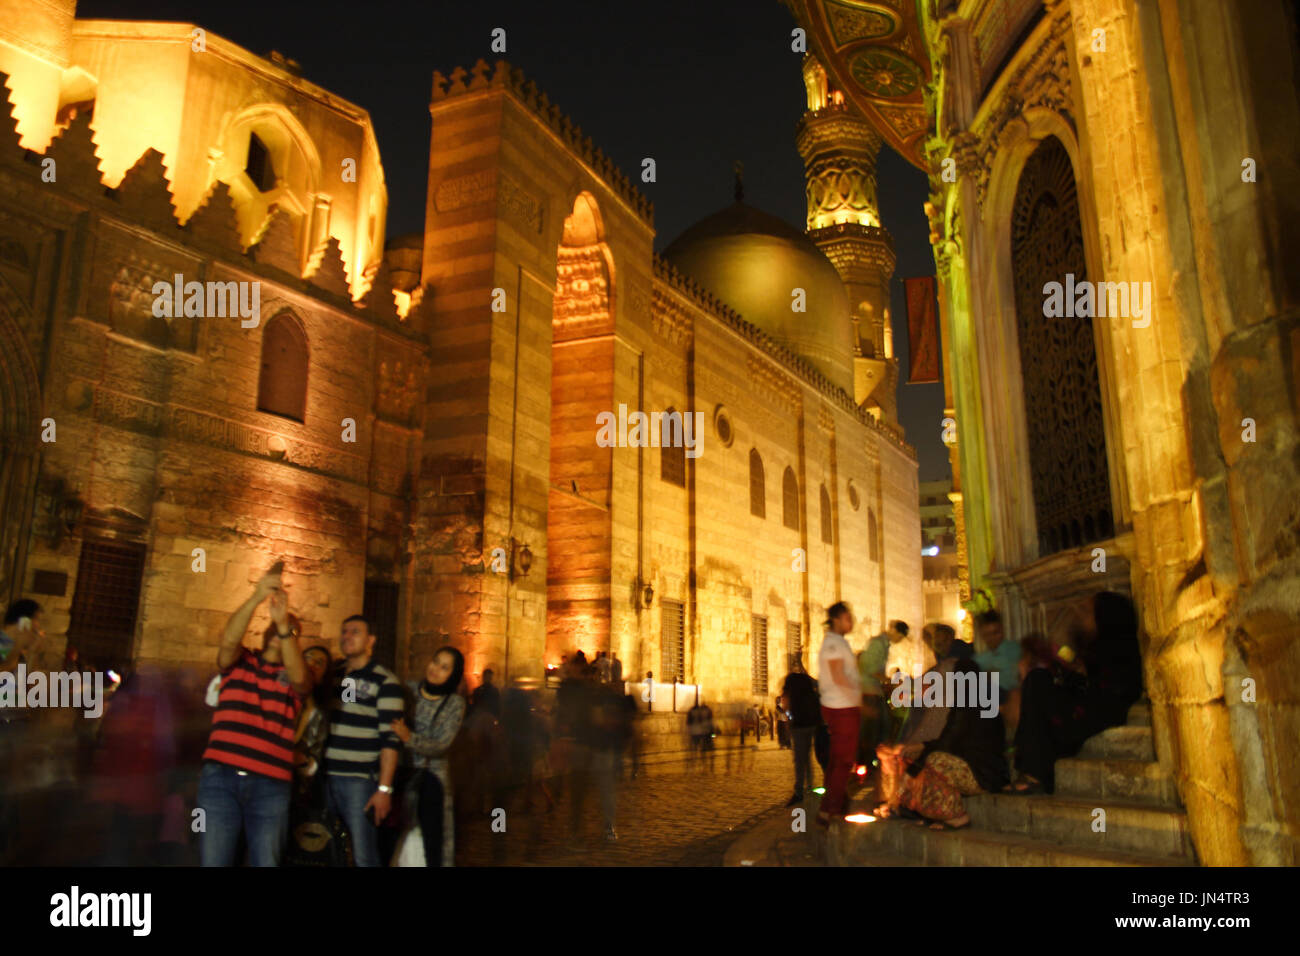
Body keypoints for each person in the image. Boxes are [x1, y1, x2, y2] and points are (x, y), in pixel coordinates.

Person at [196, 566, 310, 866]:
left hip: (270, 786)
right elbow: (228, 643)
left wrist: (285, 624)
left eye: (289, 633)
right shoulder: (239, 662)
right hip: (220, 778)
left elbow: (300, 680)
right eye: (273, 628)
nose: (280, 632)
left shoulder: (296, 677)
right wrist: (257, 597)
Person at [1009, 592, 1143, 794]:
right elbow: (1081, 673)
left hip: (1101, 710)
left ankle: (1034, 773)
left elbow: (1104, 689)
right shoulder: (1098, 647)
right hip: (1091, 703)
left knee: (1037, 684)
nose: (1080, 617)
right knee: (1038, 681)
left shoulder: (1117, 651)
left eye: (1086, 612)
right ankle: (1031, 768)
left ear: (1103, 617)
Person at [322, 615, 404, 866]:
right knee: (326, 849)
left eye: (355, 632)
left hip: (359, 781)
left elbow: (391, 739)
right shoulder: (332, 677)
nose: (347, 636)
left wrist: (384, 789)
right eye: (344, 631)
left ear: (371, 640)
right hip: (327, 778)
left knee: (363, 854)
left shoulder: (385, 681)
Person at [897, 655, 1010, 828]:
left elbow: (949, 743)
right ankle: (932, 813)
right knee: (924, 760)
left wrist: (914, 767)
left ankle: (955, 815)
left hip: (984, 774)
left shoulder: (970, 704)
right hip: (980, 769)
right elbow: (951, 739)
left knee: (935, 761)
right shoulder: (978, 701)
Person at [874, 624, 960, 817]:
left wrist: (911, 745)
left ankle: (900, 804)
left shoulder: (951, 669)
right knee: (888, 754)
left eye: (943, 640)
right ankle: (891, 802)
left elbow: (939, 725)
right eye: (934, 641)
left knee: (902, 756)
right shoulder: (933, 674)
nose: (938, 644)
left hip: (937, 741)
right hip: (923, 735)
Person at [391, 647, 466, 866]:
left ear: (452, 674)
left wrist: (409, 738)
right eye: (435, 662)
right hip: (403, 775)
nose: (436, 669)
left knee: (432, 842)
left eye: (445, 667)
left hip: (432, 780)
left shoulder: (454, 703)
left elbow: (442, 744)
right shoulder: (409, 690)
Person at [816, 601, 861, 826]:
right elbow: (838, 675)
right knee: (843, 760)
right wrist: (858, 697)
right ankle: (831, 810)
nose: (851, 622)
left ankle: (832, 805)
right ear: (836, 619)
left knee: (837, 759)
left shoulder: (837, 642)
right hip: (841, 706)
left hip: (840, 705)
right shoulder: (833, 644)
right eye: (847, 618)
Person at [779, 658, 821, 806]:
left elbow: (786, 702)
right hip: (811, 723)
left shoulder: (790, 680)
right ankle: (810, 786)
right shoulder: (806, 680)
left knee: (798, 758)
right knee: (807, 756)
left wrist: (787, 721)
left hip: (799, 724)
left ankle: (799, 791)